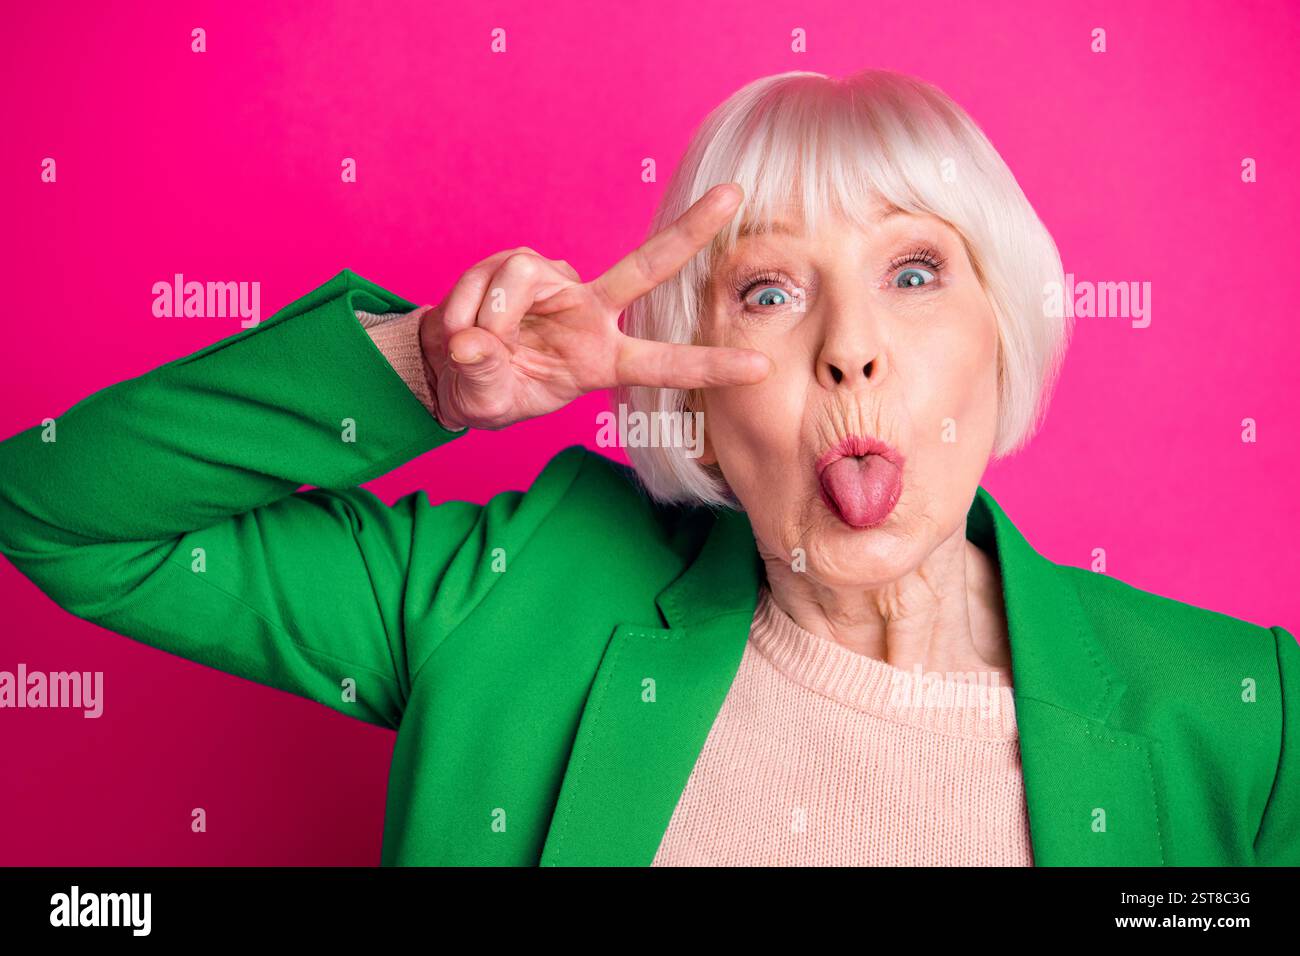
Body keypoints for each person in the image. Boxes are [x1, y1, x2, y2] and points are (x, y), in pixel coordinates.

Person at [1, 69, 1295, 866]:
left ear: (1002, 337)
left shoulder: (1247, 716)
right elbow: (62, 509)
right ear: (687, 388)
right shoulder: (512, 602)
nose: (851, 350)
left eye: (913, 272)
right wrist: (425, 376)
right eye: (775, 291)